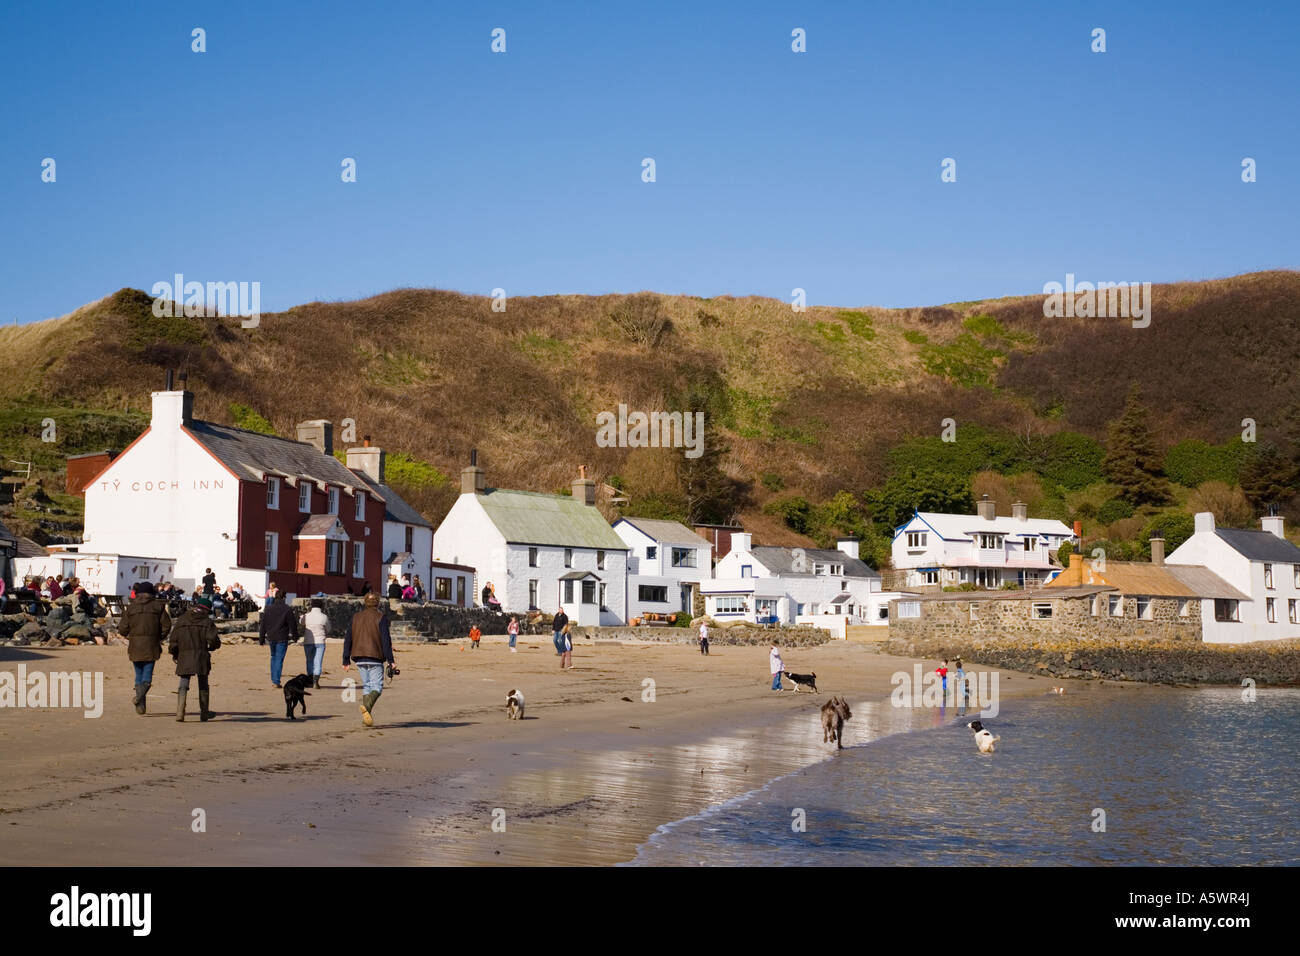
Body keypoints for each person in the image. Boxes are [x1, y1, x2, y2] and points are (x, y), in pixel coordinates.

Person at [117, 580, 172, 715]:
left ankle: (140, 705)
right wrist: (159, 637)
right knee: (147, 674)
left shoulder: (131, 608)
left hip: (135, 645)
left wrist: (128, 635)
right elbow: (167, 625)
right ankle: (139, 699)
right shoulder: (157, 607)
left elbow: (123, 629)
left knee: (138, 675)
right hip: (151, 644)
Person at [343, 593, 394, 727]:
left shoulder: (356, 617)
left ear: (365, 603)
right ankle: (367, 707)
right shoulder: (380, 617)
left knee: (367, 686)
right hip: (375, 656)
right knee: (377, 687)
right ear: (377, 603)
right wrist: (391, 660)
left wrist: (346, 660)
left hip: (359, 656)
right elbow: (385, 640)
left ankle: (366, 718)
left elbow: (348, 638)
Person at [169, 596, 221, 722]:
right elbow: (213, 640)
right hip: (201, 655)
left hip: (184, 655)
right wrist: (211, 648)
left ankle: (180, 712)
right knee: (203, 683)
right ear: (207, 610)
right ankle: (204, 712)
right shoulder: (207, 622)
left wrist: (175, 653)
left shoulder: (182, 620)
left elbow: (173, 640)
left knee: (184, 681)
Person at [259, 592, 299, 687]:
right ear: (284, 597)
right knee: (279, 659)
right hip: (282, 637)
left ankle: (274, 679)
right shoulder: (287, 609)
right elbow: (292, 624)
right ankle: (276, 681)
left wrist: (261, 638)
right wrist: (295, 636)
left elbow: (263, 624)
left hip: (271, 637)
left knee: (273, 657)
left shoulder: (268, 609)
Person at [303, 598, 329, 688]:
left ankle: (310, 680)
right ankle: (315, 682)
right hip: (320, 641)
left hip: (308, 641)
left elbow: (301, 622)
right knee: (318, 661)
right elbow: (328, 628)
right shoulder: (324, 616)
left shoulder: (306, 616)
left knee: (309, 661)